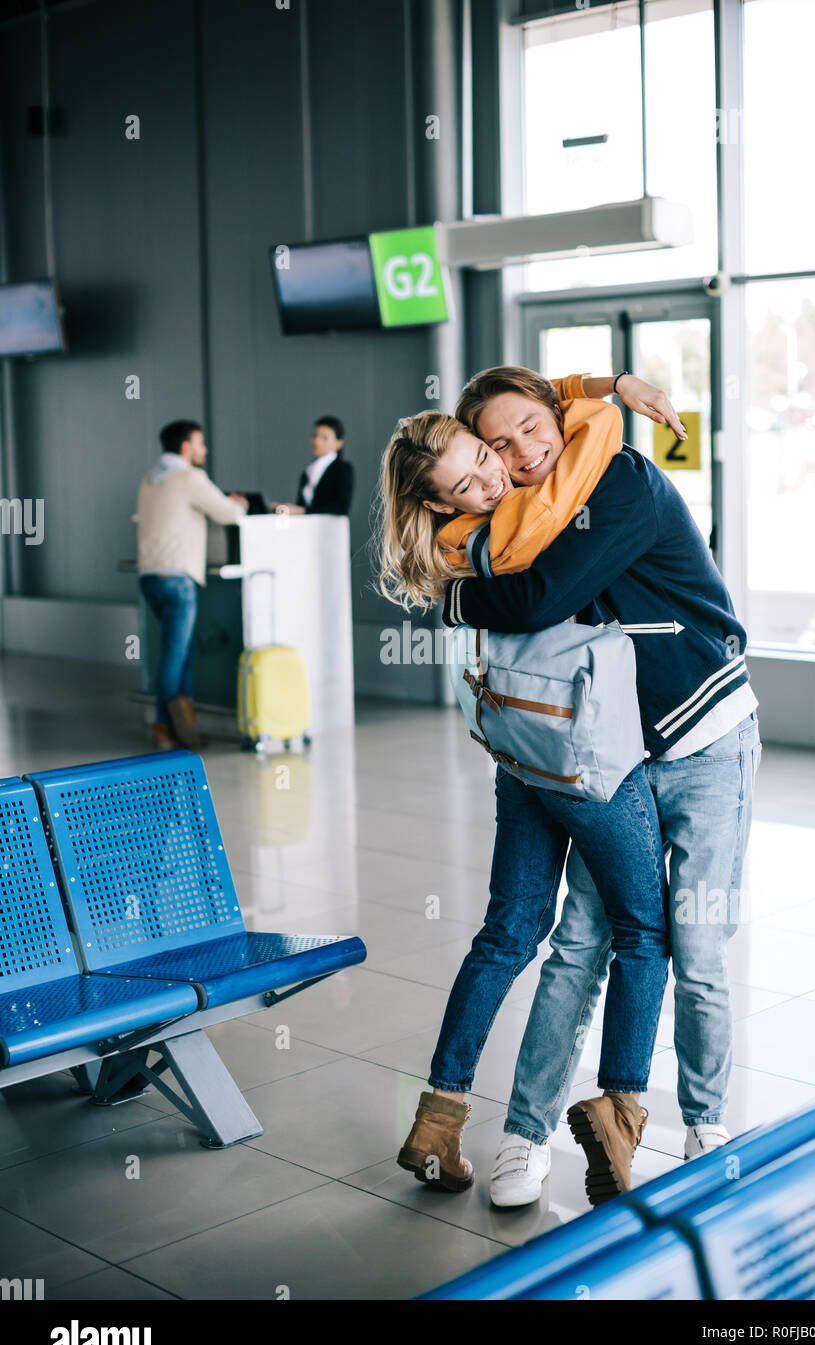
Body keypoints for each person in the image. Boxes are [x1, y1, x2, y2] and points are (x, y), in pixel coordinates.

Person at [437, 366, 761, 1204]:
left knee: (695, 945)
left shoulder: (622, 481)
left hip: (703, 738)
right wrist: (607, 379)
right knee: (579, 944)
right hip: (607, 753)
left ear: (560, 416)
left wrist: (447, 600)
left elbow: (544, 596)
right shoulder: (523, 508)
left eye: (530, 430)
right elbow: (503, 424)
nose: (520, 452)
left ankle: (704, 1123)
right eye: (498, 445)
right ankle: (525, 1135)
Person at [378, 396, 674, 1208]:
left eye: (488, 455)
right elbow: (585, 441)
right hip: (589, 755)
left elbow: (537, 419)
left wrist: (585, 381)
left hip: (520, 752)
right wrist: (605, 390)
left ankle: (438, 1120)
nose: (497, 471)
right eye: (470, 476)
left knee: (507, 933)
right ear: (439, 501)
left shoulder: (452, 544)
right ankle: (618, 1109)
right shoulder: (526, 521)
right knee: (644, 931)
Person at [136, 419, 248, 751]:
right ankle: (162, 728)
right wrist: (240, 503)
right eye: (200, 443)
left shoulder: (150, 477)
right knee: (174, 657)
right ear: (185, 446)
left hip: (150, 577)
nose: (204, 449)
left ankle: (182, 728)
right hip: (178, 579)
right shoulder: (188, 477)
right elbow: (228, 513)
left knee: (181, 654)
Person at [279, 415, 355, 517]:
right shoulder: (308, 471)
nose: (317, 441)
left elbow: (341, 507)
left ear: (338, 443)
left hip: (330, 529)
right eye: (315, 436)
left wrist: (302, 511)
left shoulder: (342, 469)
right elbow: (303, 504)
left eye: (324, 438)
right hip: (309, 527)